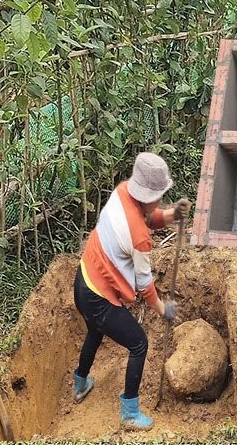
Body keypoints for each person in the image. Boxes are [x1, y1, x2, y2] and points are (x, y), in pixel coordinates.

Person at [72, 152, 185, 431]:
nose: (160, 200)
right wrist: (162, 309)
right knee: (138, 344)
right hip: (99, 297)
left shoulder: (122, 191)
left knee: (95, 332)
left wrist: (171, 215)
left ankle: (80, 383)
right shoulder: (139, 237)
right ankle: (130, 413)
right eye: (160, 196)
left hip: (83, 280)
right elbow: (144, 283)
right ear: (149, 195)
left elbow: (144, 217)